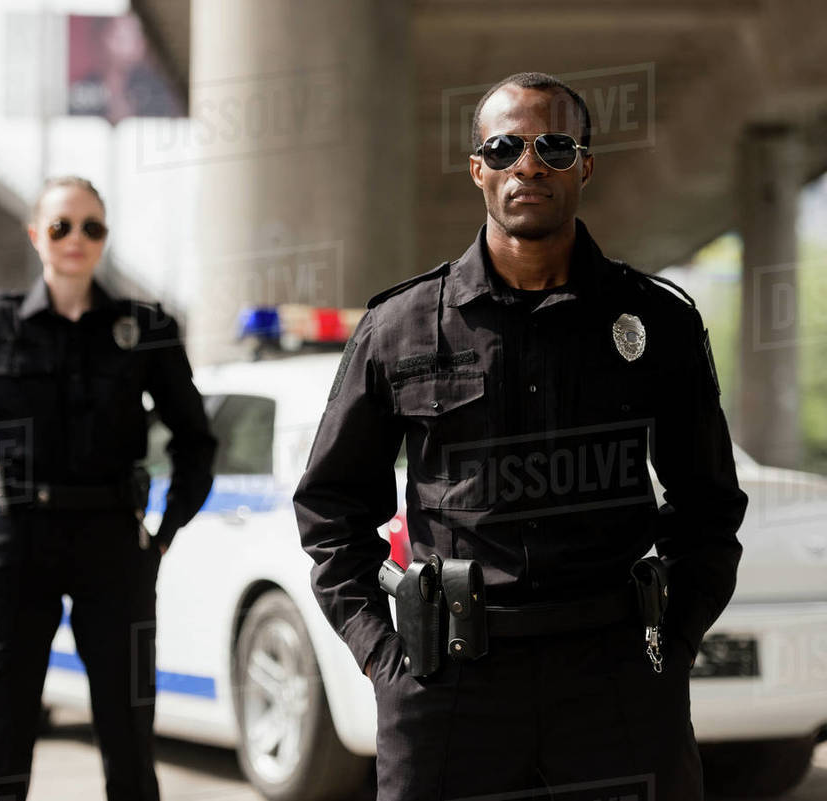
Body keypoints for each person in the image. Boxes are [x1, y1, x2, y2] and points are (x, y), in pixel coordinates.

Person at [293, 72, 747, 801]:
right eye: (505, 148)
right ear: (478, 168)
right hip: (450, 687)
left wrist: (674, 639)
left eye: (553, 147)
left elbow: (709, 505)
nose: (528, 165)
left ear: (584, 166)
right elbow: (330, 509)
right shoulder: (401, 326)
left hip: (618, 685)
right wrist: (385, 658)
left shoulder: (656, 322)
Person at [0, 175, 216, 801]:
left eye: (91, 227)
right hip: (18, 542)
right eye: (60, 226)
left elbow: (196, 441)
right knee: (0, 736)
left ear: (104, 238)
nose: (76, 238)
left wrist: (162, 534)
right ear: (35, 236)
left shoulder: (143, 328)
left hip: (114, 542)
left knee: (129, 736)